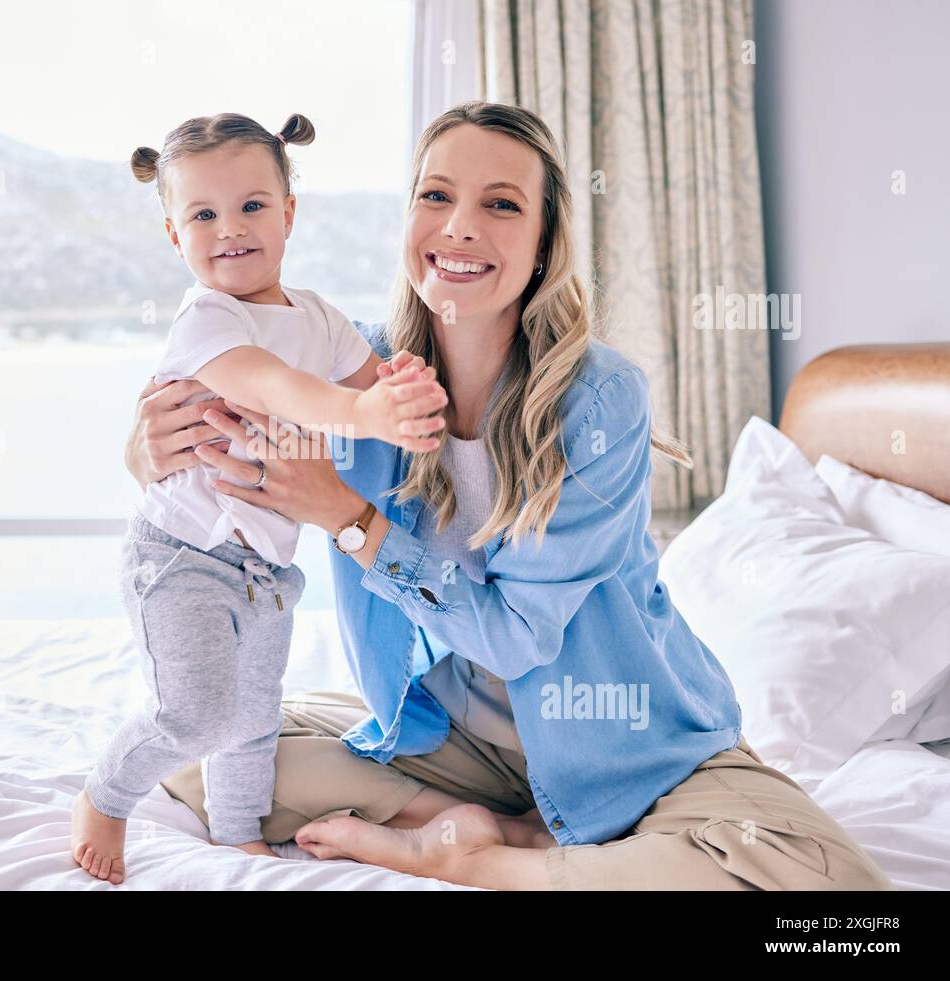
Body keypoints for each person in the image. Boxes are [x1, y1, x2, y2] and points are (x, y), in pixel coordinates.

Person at [124, 101, 895, 891]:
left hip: (620, 744)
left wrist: (350, 521)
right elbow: (224, 437)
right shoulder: (355, 377)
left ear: (541, 244)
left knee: (837, 896)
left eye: (500, 204)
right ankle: (455, 818)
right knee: (203, 762)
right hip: (448, 734)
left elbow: (515, 639)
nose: (459, 226)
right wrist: (146, 447)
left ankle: (491, 857)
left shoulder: (598, 402)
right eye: (435, 196)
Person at [72, 110, 449, 885]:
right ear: (176, 238)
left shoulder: (316, 316)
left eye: (250, 206)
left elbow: (364, 379)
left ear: (289, 213)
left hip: (266, 572)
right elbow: (277, 385)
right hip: (181, 558)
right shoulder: (209, 319)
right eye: (202, 214)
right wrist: (359, 413)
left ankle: (237, 832)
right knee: (197, 712)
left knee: (252, 720)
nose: (229, 229)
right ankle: (106, 796)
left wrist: (402, 392)